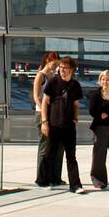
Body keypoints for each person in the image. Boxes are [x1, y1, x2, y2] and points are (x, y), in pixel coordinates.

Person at [41, 56, 85, 193]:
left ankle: (76, 185)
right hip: (53, 124)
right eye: (60, 68)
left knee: (71, 156)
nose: (62, 70)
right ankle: (44, 180)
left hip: (69, 126)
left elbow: (76, 104)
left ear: (72, 70)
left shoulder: (75, 85)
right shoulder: (53, 82)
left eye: (65, 68)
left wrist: (75, 119)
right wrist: (44, 122)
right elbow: (44, 103)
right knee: (50, 154)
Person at [33, 51, 63, 187]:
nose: (55, 66)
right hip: (43, 115)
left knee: (57, 147)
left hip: (55, 115)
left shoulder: (55, 76)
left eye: (57, 63)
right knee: (45, 147)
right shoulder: (41, 76)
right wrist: (44, 113)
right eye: (54, 63)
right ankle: (42, 177)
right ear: (47, 61)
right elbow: (36, 97)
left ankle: (55, 177)